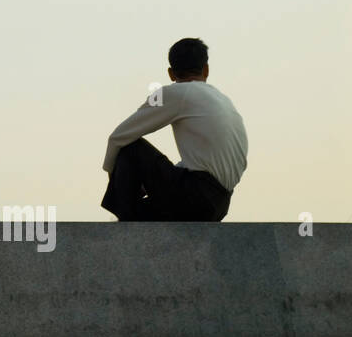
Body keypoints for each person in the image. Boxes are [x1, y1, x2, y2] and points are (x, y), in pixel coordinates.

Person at [101, 38, 247, 221]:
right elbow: (204, 166)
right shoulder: (224, 100)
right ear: (206, 69)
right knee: (143, 213)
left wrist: (115, 180)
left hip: (195, 196)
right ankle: (132, 219)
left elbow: (118, 137)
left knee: (130, 148)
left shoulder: (175, 93)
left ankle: (125, 223)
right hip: (218, 205)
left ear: (171, 74)